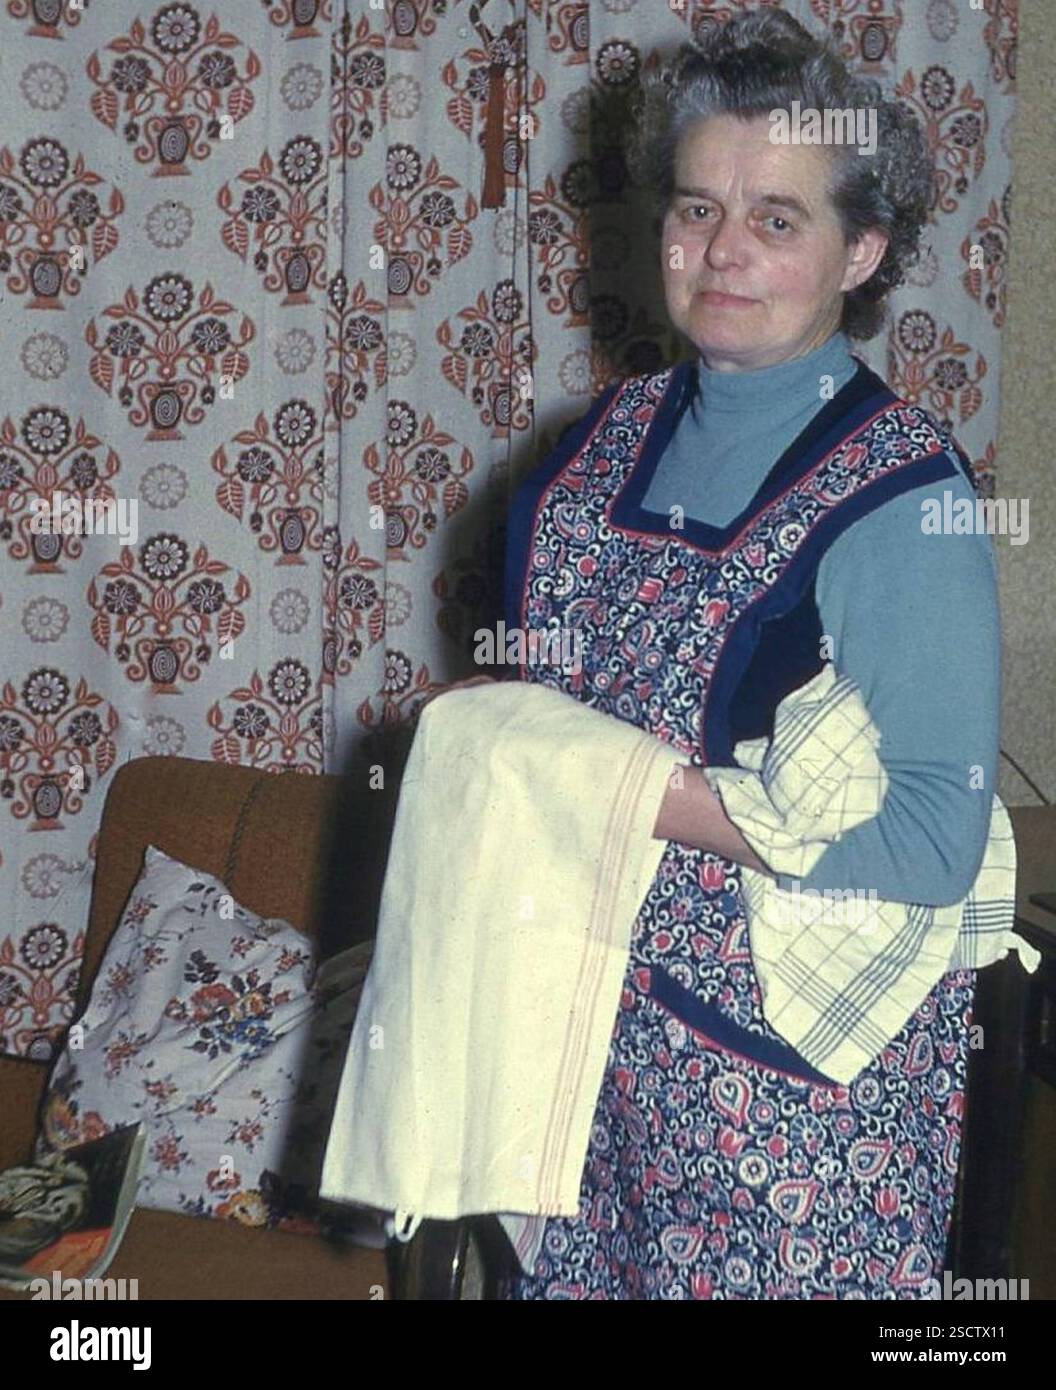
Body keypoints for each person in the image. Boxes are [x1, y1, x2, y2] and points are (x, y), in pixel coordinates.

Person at [494, 10, 1000, 1299]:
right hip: (597, 1064)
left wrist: (648, 799)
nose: (720, 250)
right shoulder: (604, 441)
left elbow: (939, 843)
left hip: (794, 1122)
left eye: (777, 218)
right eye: (696, 206)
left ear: (861, 252)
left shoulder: (907, 500)